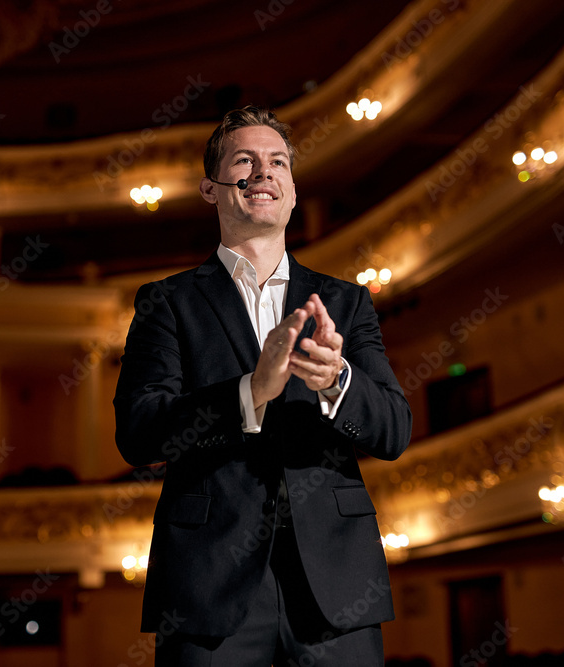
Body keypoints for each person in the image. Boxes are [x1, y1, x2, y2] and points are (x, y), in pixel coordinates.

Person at [113, 106, 412, 666]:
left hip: (336, 585)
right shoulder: (166, 302)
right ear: (211, 188)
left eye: (277, 163)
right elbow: (139, 432)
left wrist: (336, 382)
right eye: (244, 161)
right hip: (207, 587)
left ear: (292, 191)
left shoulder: (346, 301)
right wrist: (250, 391)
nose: (263, 173)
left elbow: (394, 431)